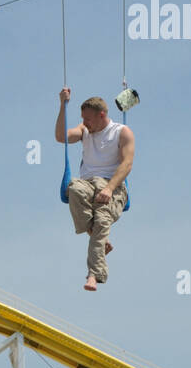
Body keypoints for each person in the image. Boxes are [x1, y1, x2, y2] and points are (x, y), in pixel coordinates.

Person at [55, 89, 135, 291]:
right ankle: (97, 237)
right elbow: (61, 136)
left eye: (88, 119)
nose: (85, 122)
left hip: (112, 185)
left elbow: (127, 164)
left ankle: (94, 274)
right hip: (87, 184)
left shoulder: (121, 132)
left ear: (102, 115)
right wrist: (62, 105)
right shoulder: (85, 131)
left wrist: (109, 189)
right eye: (83, 118)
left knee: (101, 220)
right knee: (74, 189)